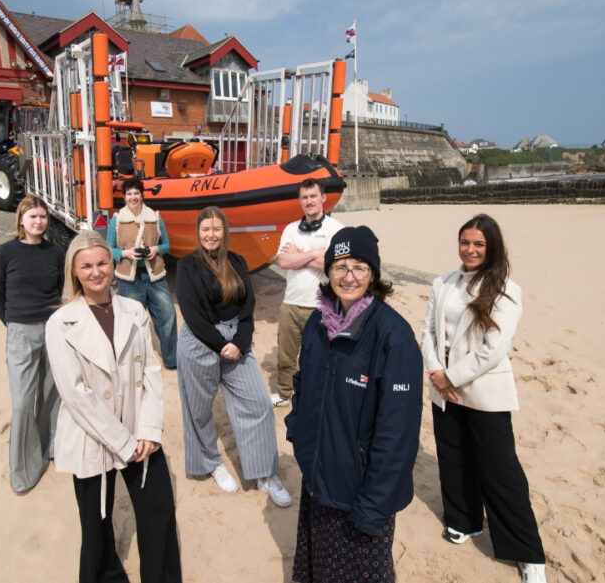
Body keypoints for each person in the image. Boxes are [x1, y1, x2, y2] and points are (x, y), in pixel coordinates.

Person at [286, 225, 423, 583]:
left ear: (373, 274)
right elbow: (303, 383)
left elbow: (398, 436)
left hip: (360, 496)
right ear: (327, 272)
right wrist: (298, 431)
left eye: (359, 267)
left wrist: (373, 507)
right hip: (319, 482)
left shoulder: (393, 335)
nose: (349, 277)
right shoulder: (318, 322)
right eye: (340, 266)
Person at [45, 230, 181, 583]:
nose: (96, 272)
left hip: (141, 433)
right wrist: (122, 441)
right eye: (86, 265)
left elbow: (151, 371)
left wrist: (148, 431)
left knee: (159, 513)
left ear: (113, 263)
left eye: (102, 262)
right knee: (96, 529)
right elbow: (75, 393)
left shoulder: (134, 310)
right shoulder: (60, 323)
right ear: (74, 271)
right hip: (95, 437)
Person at [421, 214, 547, 583]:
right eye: (465, 242)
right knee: (453, 456)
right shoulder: (443, 283)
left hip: (482, 389)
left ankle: (527, 553)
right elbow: (428, 329)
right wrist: (435, 371)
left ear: (491, 247)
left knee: (501, 469)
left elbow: (494, 350)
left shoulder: (506, 289)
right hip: (443, 388)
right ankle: (464, 520)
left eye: (478, 244)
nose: (471, 250)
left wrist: (451, 376)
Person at [175, 206, 292, 507]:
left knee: (259, 404)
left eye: (216, 229)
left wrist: (240, 342)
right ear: (198, 232)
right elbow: (191, 314)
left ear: (224, 231)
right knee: (198, 410)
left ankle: (265, 474)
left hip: (236, 343)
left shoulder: (237, 261)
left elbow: (248, 307)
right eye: (205, 230)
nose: (211, 235)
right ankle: (211, 462)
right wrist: (219, 343)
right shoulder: (187, 266)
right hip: (200, 342)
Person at [0, 195, 64, 494]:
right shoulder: (4, 253)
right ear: (21, 220)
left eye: (43, 217)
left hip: (51, 329)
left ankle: (50, 446)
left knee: (51, 392)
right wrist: (14, 323)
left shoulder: (56, 252)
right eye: (32, 216)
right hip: (20, 329)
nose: (38, 222)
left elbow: (58, 290)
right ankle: (23, 470)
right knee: (22, 402)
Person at [270, 178, 344, 408]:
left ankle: (317, 395)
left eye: (313, 196)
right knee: (286, 354)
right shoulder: (291, 229)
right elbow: (283, 261)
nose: (309, 201)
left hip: (322, 305)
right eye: (305, 197)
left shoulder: (337, 229)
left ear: (323, 198)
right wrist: (315, 253)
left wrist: (299, 255)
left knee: (320, 356)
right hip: (291, 303)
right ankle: (284, 393)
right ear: (300, 201)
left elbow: (334, 269)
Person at [107, 178, 178, 369]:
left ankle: (172, 359)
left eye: (136, 193)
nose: (133, 197)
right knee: (132, 323)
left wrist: (156, 249)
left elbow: (167, 245)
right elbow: (108, 249)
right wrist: (125, 253)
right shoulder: (117, 220)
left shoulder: (155, 217)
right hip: (129, 281)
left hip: (155, 276)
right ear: (124, 197)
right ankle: (134, 362)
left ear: (142, 195)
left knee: (168, 316)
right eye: (129, 194)